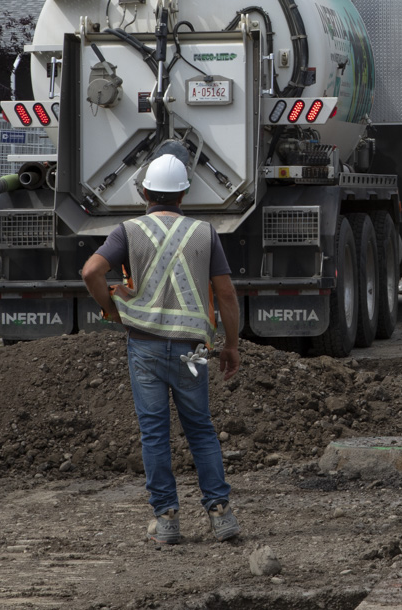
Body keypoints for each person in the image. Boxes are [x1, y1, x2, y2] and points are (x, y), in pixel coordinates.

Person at [81, 147, 242, 546]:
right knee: (201, 430)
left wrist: (110, 310)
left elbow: (90, 272)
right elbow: (225, 295)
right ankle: (220, 515)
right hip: (193, 350)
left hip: (146, 347)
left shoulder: (128, 231)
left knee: (154, 433)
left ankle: (167, 520)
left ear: (145, 193)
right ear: (184, 195)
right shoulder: (204, 232)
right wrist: (231, 345)